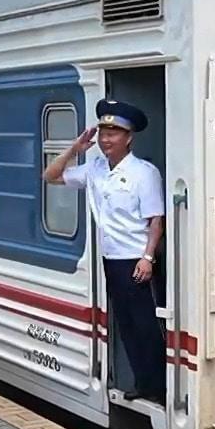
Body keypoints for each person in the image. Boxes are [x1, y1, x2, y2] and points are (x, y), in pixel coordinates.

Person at [44, 98, 165, 404]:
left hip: (136, 260)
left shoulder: (143, 172)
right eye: (102, 133)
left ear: (129, 138)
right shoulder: (95, 169)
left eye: (113, 134)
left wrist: (148, 257)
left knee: (145, 324)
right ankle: (144, 383)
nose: (106, 140)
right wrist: (74, 150)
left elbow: (156, 220)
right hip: (111, 260)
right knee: (125, 323)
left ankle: (160, 385)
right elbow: (51, 176)